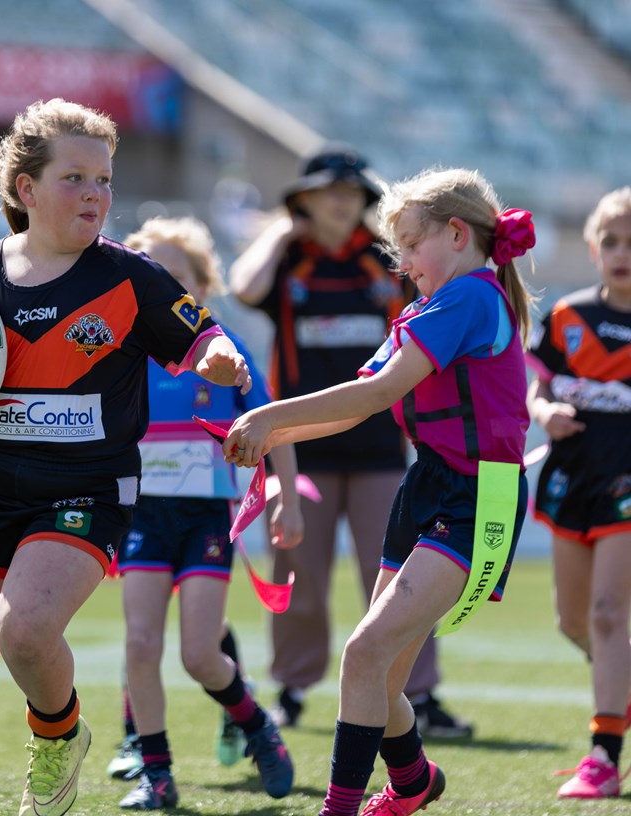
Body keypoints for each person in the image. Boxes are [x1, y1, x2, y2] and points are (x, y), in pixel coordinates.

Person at [0, 98, 253, 816]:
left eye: (104, 180)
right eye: (76, 178)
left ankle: (59, 734)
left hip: (85, 489)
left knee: (26, 631)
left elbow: (202, 337)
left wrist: (219, 358)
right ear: (26, 190)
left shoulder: (131, 278)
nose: (96, 195)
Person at [222, 167, 535, 816]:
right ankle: (414, 782)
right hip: (427, 488)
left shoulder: (471, 297)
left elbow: (378, 392)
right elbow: (354, 408)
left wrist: (270, 416)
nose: (403, 263)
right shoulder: (427, 308)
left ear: (456, 234)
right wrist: (270, 428)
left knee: (365, 653)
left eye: (410, 245)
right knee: (380, 673)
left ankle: (341, 808)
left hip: (480, 498)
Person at [229, 143, 472, 738]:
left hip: (382, 452)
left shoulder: (386, 261)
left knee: (398, 577)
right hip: (299, 452)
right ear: (304, 200)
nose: (339, 202)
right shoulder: (290, 260)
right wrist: (285, 229)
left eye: (349, 192)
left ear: (365, 199)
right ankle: (290, 687)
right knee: (298, 572)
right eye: (324, 192)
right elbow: (241, 287)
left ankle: (420, 693)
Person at [108, 216, 302, 809]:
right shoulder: (120, 351)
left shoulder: (228, 352)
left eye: (175, 271)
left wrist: (286, 500)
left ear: (198, 286)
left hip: (202, 522)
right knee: (140, 644)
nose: (162, 279)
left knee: (198, 654)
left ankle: (255, 724)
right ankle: (156, 771)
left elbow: (276, 428)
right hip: (140, 518)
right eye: (151, 269)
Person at [528, 187, 631, 799]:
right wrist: (545, 413)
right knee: (572, 620)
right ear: (595, 249)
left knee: (606, 613)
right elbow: (535, 388)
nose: (622, 253)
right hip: (571, 478)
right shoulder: (567, 317)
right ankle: (617, 697)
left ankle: (603, 756)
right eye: (612, 241)